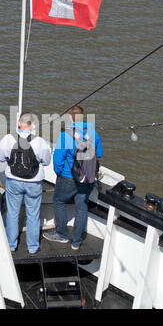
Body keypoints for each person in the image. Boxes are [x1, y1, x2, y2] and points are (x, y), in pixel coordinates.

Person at [45, 105, 103, 251]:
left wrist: (60, 173)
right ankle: (76, 242)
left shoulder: (66, 135)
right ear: (83, 117)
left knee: (59, 201)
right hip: (88, 179)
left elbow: (58, 160)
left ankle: (62, 234)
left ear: (70, 118)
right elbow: (100, 154)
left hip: (68, 177)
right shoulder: (93, 133)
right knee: (82, 207)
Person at [0, 112, 52, 255]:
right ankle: (32, 247)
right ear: (32, 125)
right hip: (33, 183)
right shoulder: (39, 141)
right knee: (33, 214)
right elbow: (46, 161)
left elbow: (0, 158)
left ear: (19, 124)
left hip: (13, 181)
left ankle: (11, 245)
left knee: (13, 213)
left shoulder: (8, 139)